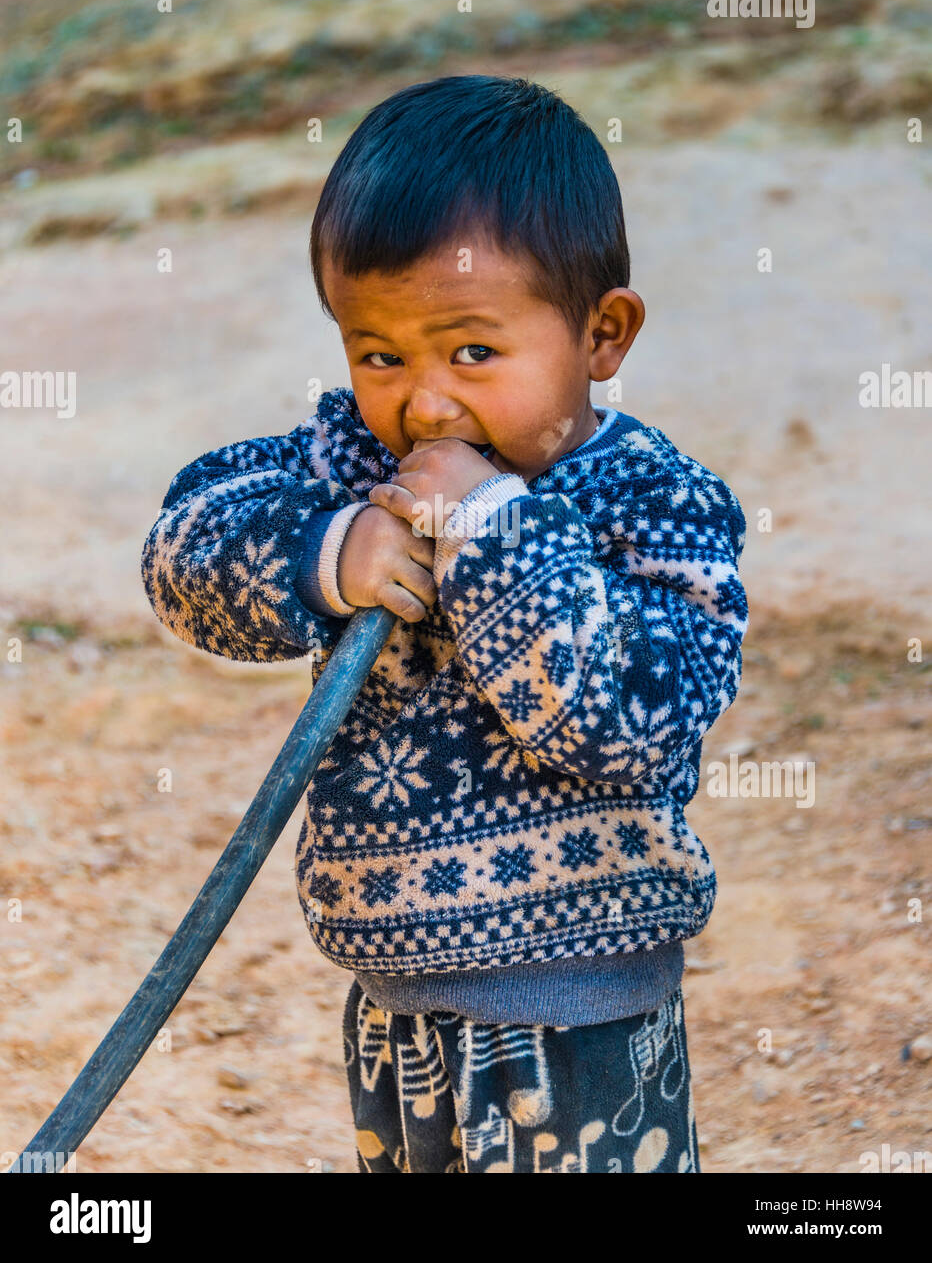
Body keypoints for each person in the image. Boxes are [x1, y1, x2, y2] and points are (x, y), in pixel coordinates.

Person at [141, 74, 749, 1173]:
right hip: (392, 1009)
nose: (423, 403)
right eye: (379, 354)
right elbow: (183, 545)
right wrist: (330, 553)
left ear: (600, 334)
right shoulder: (352, 467)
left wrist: (489, 531)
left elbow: (627, 721)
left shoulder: (654, 504)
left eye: (472, 352)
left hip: (580, 1017)